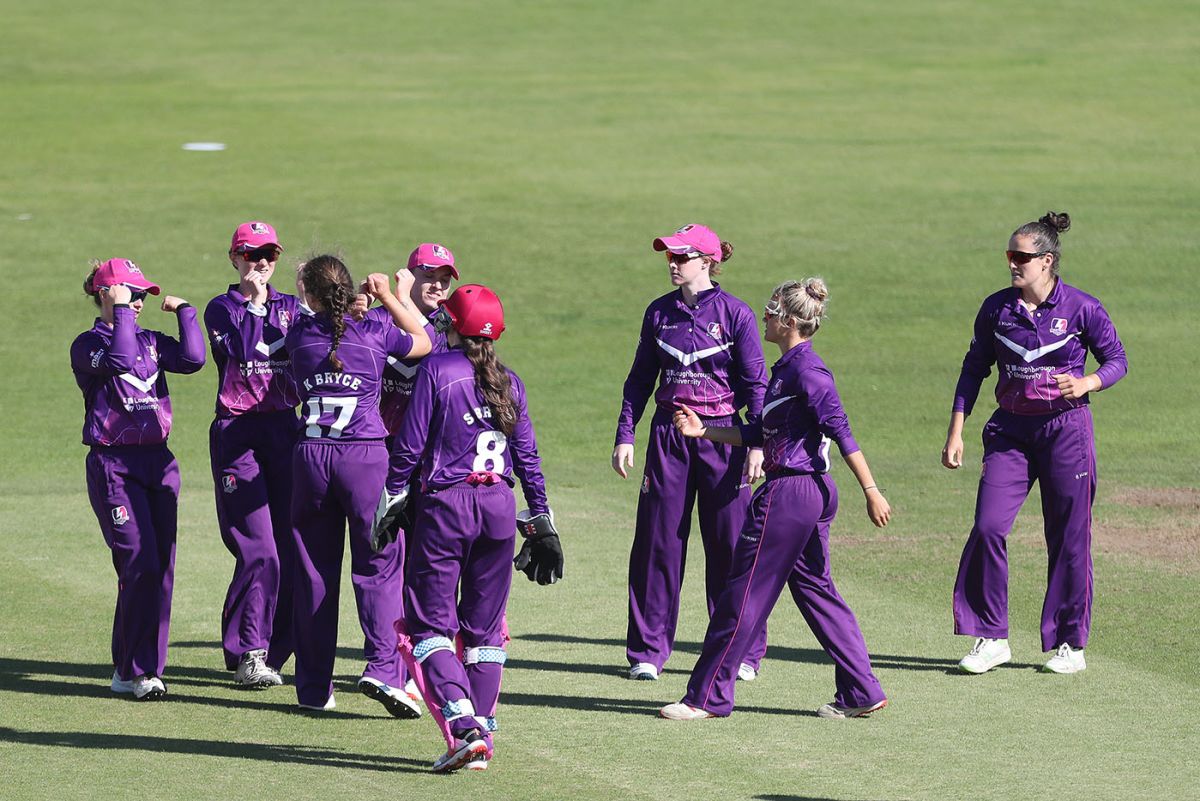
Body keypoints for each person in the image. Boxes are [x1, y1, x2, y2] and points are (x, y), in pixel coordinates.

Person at [658, 278, 892, 721]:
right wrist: (703, 429)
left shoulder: (808, 372)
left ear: (788, 321)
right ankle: (861, 689)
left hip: (793, 493)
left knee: (743, 592)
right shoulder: (785, 369)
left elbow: (841, 431)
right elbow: (758, 433)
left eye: (770, 309)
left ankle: (706, 697)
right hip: (806, 493)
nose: (763, 314)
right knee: (816, 591)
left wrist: (871, 490)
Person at [379, 284, 562, 773]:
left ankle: (464, 729)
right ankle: (482, 734)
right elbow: (527, 458)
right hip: (500, 507)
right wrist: (542, 518)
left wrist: (393, 497)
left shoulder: (438, 370)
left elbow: (410, 444)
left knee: (429, 625)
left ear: (452, 325)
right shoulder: (511, 381)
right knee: (484, 632)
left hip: (446, 508)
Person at [943, 211, 1127, 675]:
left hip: (1067, 432)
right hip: (1010, 433)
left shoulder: (1082, 308)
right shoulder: (996, 308)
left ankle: (1070, 644)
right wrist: (956, 429)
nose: (1012, 264)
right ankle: (991, 637)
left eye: (1020, 256)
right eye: (1009, 255)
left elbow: (1117, 360)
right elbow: (974, 367)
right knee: (988, 527)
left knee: (1068, 536)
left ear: (1046, 261)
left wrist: (1087, 383)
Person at [613, 224, 767, 682]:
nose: (673, 264)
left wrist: (757, 442)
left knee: (730, 545)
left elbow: (757, 383)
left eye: (681, 256)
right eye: (669, 257)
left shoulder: (737, 314)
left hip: (722, 437)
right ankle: (647, 652)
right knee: (658, 543)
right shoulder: (658, 313)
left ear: (707, 261)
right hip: (668, 437)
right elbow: (640, 379)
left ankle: (740, 652)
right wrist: (625, 433)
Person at [285, 255, 431, 714]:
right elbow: (423, 341)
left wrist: (344, 306)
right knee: (380, 566)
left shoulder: (299, 336)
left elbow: (318, 322)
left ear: (309, 295)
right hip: (365, 457)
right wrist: (387, 296)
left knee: (313, 573)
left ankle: (313, 690)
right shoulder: (372, 333)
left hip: (310, 459)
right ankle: (383, 669)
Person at [70, 258, 206, 700]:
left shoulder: (149, 339)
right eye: (132, 293)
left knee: (159, 566)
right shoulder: (87, 344)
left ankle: (136, 668)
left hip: (158, 462)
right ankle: (137, 669)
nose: (140, 301)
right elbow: (120, 357)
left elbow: (192, 358)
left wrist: (186, 312)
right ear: (106, 293)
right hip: (114, 464)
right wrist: (122, 311)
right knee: (139, 562)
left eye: (143, 294)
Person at [204, 222, 302, 689]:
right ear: (234, 258)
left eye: (269, 255)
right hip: (238, 432)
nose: (261, 263)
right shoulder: (221, 309)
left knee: (287, 546)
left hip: (285, 428)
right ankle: (248, 653)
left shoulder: (293, 308)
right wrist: (255, 304)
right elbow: (241, 350)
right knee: (257, 547)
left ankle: (272, 651)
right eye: (251, 254)